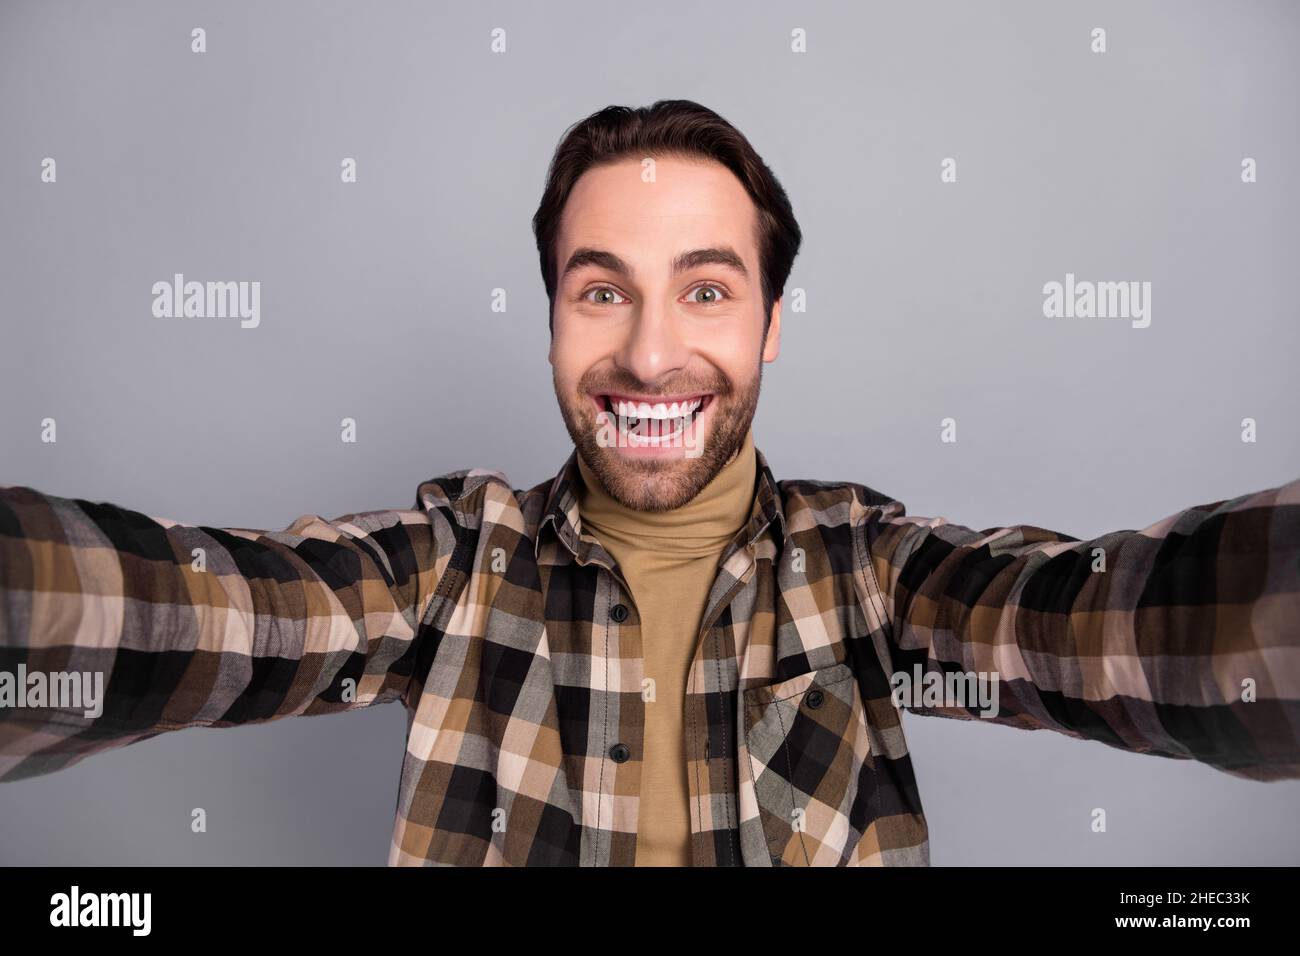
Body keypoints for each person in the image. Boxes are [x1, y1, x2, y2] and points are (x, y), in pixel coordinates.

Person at [1, 100, 1297, 867]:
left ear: (772, 321)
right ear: (555, 320)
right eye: (602, 288)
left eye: (708, 289)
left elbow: (1118, 627)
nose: (652, 350)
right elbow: (211, 611)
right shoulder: (458, 567)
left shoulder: (871, 574)